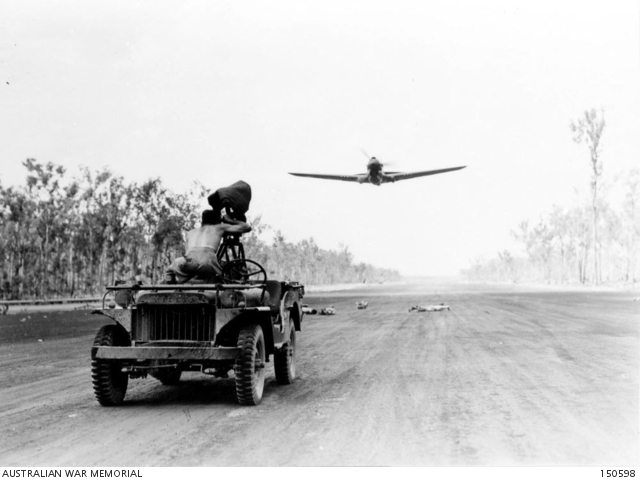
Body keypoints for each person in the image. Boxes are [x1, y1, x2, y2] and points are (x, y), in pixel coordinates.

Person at [163, 209, 251, 284]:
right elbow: (246, 227)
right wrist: (229, 219)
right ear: (218, 220)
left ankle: (169, 289)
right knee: (223, 273)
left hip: (188, 259)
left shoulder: (191, 232)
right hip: (208, 260)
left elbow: (188, 254)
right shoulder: (219, 227)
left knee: (170, 270)